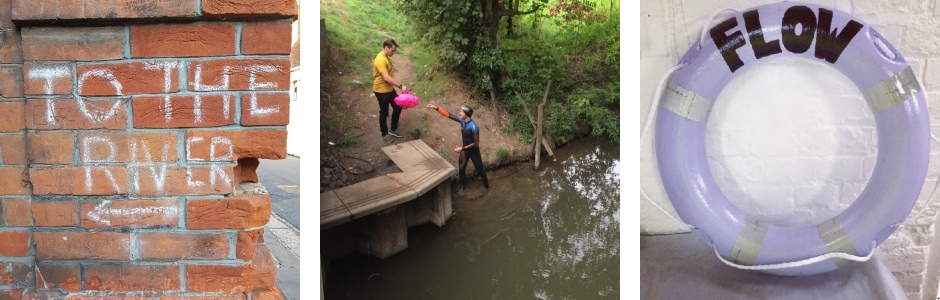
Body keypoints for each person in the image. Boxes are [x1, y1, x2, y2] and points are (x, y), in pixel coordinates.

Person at [426, 103, 490, 191]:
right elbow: (449, 115)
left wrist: (462, 148)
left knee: (480, 171)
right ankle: (463, 187)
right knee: (461, 170)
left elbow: (476, 144)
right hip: (464, 151)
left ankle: (487, 188)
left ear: (466, 114)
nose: (460, 113)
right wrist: (435, 108)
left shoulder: (474, 126)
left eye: (462, 112)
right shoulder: (462, 121)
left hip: (474, 152)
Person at [373, 38, 410, 144]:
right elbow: (386, 77)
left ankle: (393, 129)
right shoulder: (380, 59)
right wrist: (400, 86)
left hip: (389, 89)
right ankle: (384, 134)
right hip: (381, 91)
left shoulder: (386, 57)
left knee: (398, 106)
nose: (393, 52)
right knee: (384, 113)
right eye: (392, 50)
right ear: (386, 48)